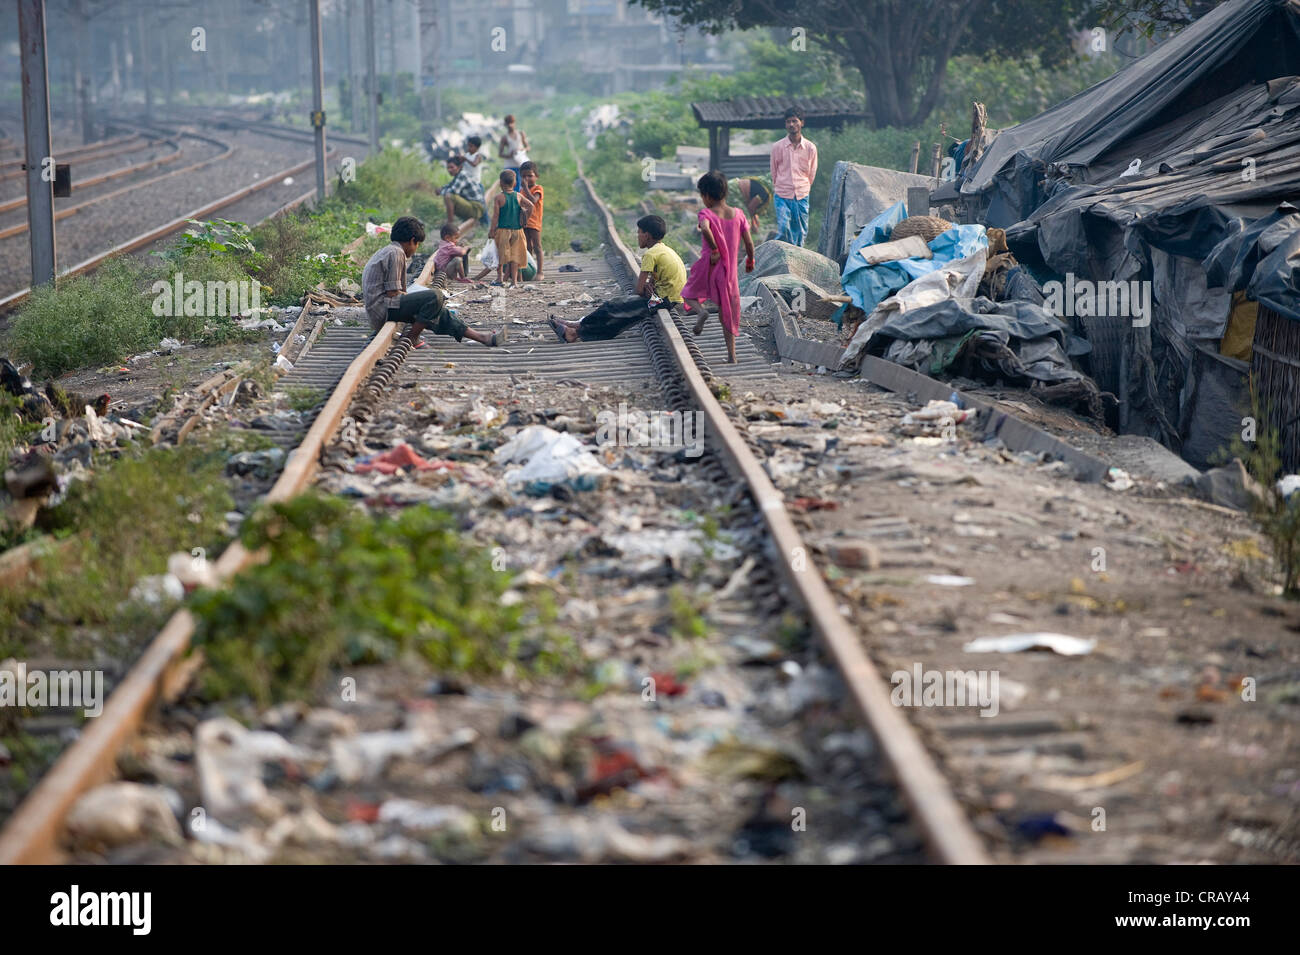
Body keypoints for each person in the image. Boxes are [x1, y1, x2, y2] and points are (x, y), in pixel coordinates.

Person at [362, 215, 505, 347]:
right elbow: (393, 293)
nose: (416, 248)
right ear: (412, 240)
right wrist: (417, 298)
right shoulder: (396, 253)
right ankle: (412, 337)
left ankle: (482, 338)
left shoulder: (390, 250)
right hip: (382, 310)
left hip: (383, 307)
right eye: (417, 244)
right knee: (435, 297)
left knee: (437, 308)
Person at [547, 215, 686, 344]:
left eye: (639, 232)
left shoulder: (650, 254)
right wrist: (650, 288)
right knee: (621, 312)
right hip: (671, 298)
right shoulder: (665, 249)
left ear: (647, 235)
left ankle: (574, 330)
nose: (638, 236)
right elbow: (657, 278)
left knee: (613, 307)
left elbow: (638, 290)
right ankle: (576, 328)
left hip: (663, 300)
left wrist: (647, 290)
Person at [680, 171, 753, 364]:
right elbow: (749, 243)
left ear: (707, 195)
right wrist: (750, 261)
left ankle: (701, 312)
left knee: (688, 293)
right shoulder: (738, 214)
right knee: (726, 310)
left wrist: (714, 249)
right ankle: (732, 356)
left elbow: (704, 228)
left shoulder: (706, 213)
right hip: (729, 272)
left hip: (709, 264)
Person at [770, 106, 818, 247]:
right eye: (788, 122)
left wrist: (804, 187)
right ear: (785, 124)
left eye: (794, 121)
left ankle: (797, 258)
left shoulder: (810, 148)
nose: (791, 125)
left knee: (800, 231)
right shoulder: (777, 147)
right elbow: (774, 171)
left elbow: (812, 172)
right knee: (784, 228)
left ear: (801, 123)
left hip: (802, 194)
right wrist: (780, 185)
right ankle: (782, 256)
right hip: (782, 194)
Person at [488, 168, 534, 286]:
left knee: (501, 255)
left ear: (501, 183)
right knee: (515, 256)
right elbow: (531, 206)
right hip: (517, 231)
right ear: (514, 183)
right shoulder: (518, 196)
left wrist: (492, 230)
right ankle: (514, 282)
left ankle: (500, 279)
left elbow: (495, 216)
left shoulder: (498, 198)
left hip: (503, 230)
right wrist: (525, 220)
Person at [439, 155, 486, 226]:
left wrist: (440, 191)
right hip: (474, 207)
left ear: (460, 167)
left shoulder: (462, 175)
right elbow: (449, 186)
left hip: (476, 208)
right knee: (448, 196)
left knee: (449, 196)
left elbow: (453, 191)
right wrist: (442, 189)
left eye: (452, 167)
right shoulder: (458, 176)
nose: (449, 170)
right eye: (448, 168)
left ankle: (450, 224)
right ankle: (456, 222)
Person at [519, 161, 544, 282]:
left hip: (534, 222)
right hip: (524, 222)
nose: (527, 178)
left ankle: (540, 272)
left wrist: (525, 189)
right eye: (524, 176)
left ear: (536, 176)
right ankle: (530, 270)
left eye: (530, 175)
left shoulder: (538, 189)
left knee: (537, 246)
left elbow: (533, 200)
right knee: (527, 247)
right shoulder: (521, 191)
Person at [498, 114, 530, 191]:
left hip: (521, 164)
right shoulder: (505, 137)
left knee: (522, 187)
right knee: (511, 188)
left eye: (511, 122)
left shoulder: (521, 134)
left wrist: (522, 150)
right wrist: (509, 155)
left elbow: (528, 147)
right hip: (510, 165)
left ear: (514, 123)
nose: (510, 125)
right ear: (506, 124)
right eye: (508, 123)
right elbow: (500, 154)